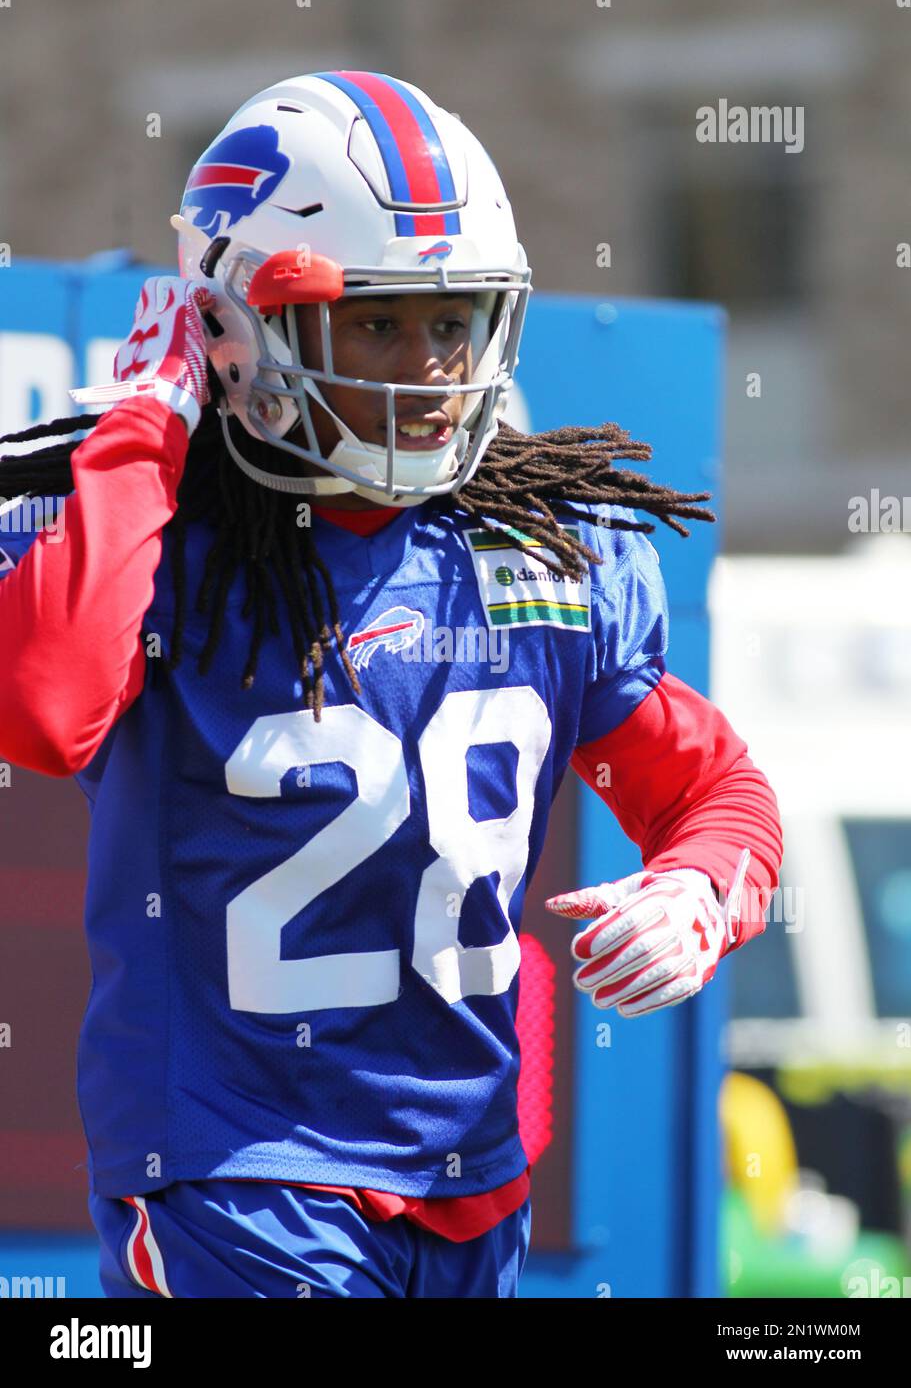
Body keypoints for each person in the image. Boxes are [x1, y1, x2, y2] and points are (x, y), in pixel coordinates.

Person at [0, 70, 782, 1299]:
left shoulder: (544, 552)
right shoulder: (151, 538)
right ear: (234, 329)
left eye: (451, 322)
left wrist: (699, 887)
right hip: (237, 1178)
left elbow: (711, 785)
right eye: (378, 324)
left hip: (470, 1180)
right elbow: (44, 714)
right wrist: (146, 424)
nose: (428, 369)